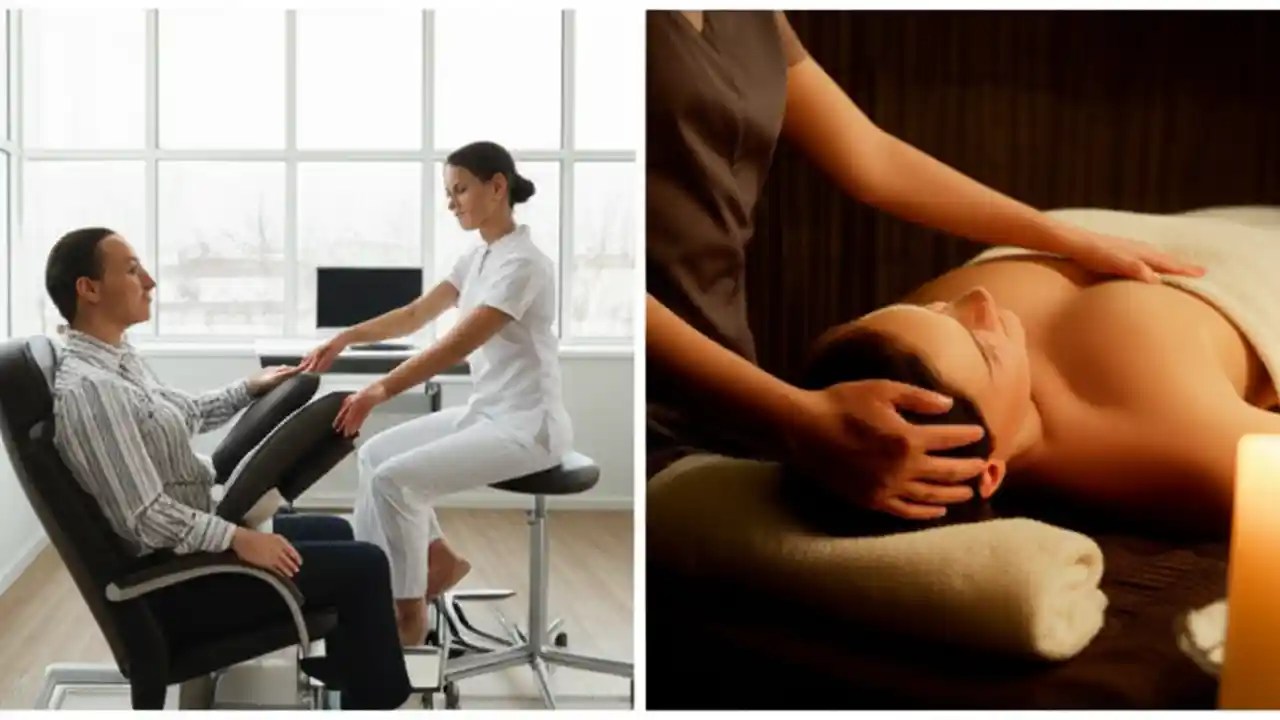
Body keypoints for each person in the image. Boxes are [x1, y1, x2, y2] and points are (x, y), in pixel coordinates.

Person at [645, 10, 1206, 505]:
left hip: (732, 383)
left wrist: (1064, 235)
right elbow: (583, 275)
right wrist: (794, 417)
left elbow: (872, 159)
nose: (979, 302)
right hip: (655, 394)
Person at [45, 227, 413, 710]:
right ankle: (380, 697)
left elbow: (188, 413)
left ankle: (355, 674)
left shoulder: (119, 363)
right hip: (180, 580)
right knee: (366, 566)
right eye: (133, 270)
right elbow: (145, 516)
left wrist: (249, 389)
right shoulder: (92, 391)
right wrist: (240, 540)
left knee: (338, 535)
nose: (151, 281)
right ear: (88, 289)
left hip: (192, 549)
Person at [802, 207, 1280, 536]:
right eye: (985, 350)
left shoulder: (887, 358)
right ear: (988, 474)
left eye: (935, 309)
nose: (980, 301)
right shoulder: (1165, 431)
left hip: (1188, 227)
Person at [299, 140, 570, 646]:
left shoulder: (524, 264)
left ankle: (408, 614)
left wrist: (378, 390)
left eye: (460, 189)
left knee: (397, 483)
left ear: (497, 186)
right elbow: (415, 315)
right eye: (448, 193)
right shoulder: (479, 255)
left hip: (528, 427)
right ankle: (427, 562)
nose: (452, 203)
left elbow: (456, 343)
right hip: (487, 412)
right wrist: (345, 336)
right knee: (375, 455)